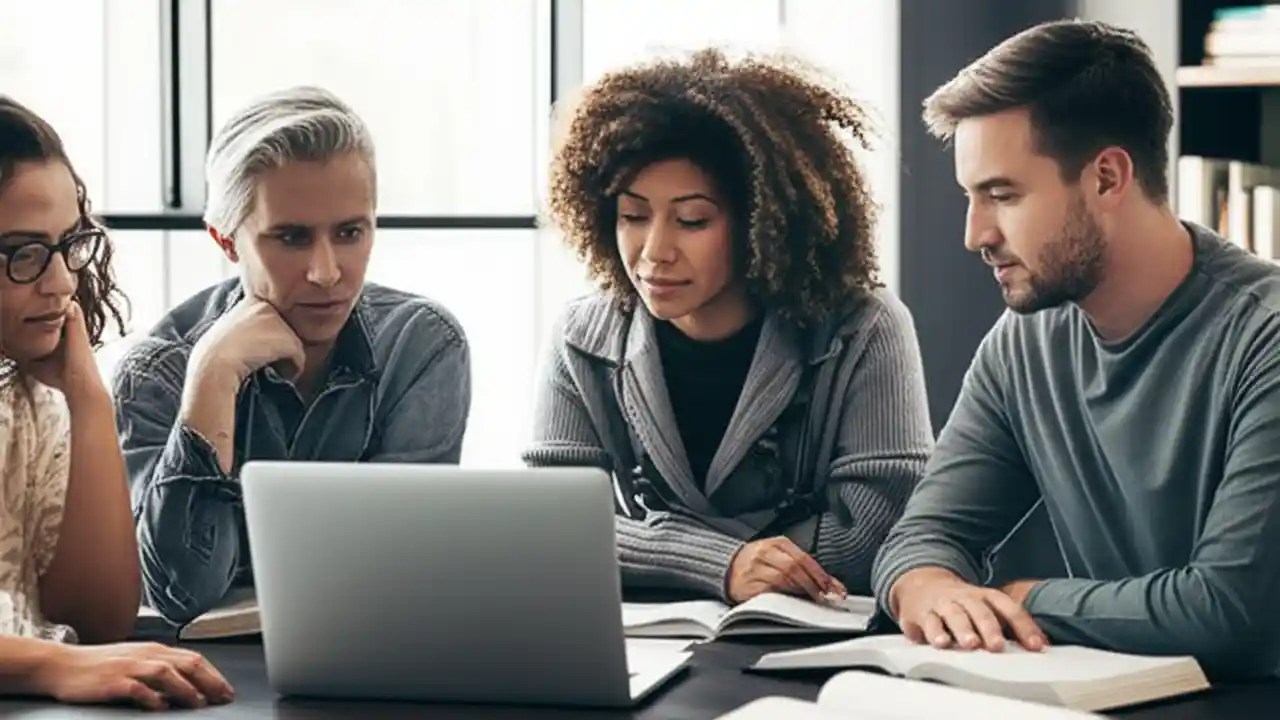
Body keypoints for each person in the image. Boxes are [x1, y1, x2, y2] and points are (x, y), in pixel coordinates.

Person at [872, 19, 1280, 678]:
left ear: (1107, 178)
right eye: (970, 197)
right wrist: (927, 587)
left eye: (1002, 194)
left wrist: (1021, 599)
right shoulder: (1022, 346)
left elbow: (1226, 608)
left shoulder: (1266, 338)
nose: (975, 233)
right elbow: (924, 534)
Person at [528, 49, 933, 604]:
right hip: (645, 649)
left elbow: (875, 538)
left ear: (763, 220)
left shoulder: (864, 328)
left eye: (692, 219)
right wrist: (723, 563)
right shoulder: (584, 335)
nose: (654, 252)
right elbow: (549, 530)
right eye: (633, 215)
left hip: (812, 648)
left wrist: (641, 546)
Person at [114, 87, 472, 625]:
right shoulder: (159, 374)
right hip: (210, 685)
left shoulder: (421, 346)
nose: (326, 272)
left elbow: (400, 567)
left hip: (372, 655)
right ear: (226, 240)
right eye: (292, 238)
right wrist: (211, 379)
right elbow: (182, 594)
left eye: (350, 233)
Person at [0, 96, 233, 711]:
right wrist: (51, 665)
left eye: (68, 246)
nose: (62, 283)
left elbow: (99, 622)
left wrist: (89, 404)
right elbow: (78, 655)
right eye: (23, 253)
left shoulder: (27, 400)